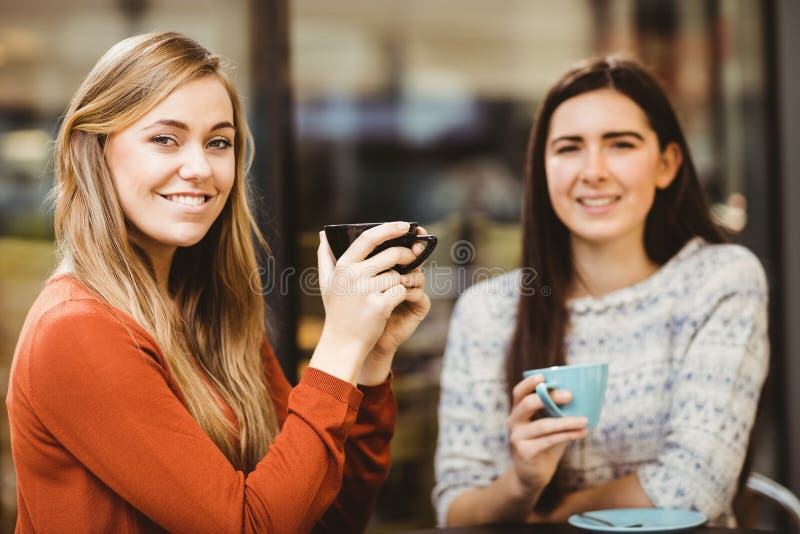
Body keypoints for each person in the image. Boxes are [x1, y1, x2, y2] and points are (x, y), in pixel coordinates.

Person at [7, 31, 431, 533]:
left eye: (218, 142)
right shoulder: (76, 329)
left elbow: (329, 517)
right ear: (92, 150)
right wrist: (339, 343)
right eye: (165, 138)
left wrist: (370, 358)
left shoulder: (216, 315)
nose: (200, 168)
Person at [433, 57, 768, 527]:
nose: (593, 170)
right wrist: (523, 483)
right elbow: (455, 512)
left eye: (621, 144)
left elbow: (693, 488)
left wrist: (544, 516)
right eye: (569, 148)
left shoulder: (719, 281)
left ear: (667, 164)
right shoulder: (488, 313)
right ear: (542, 169)